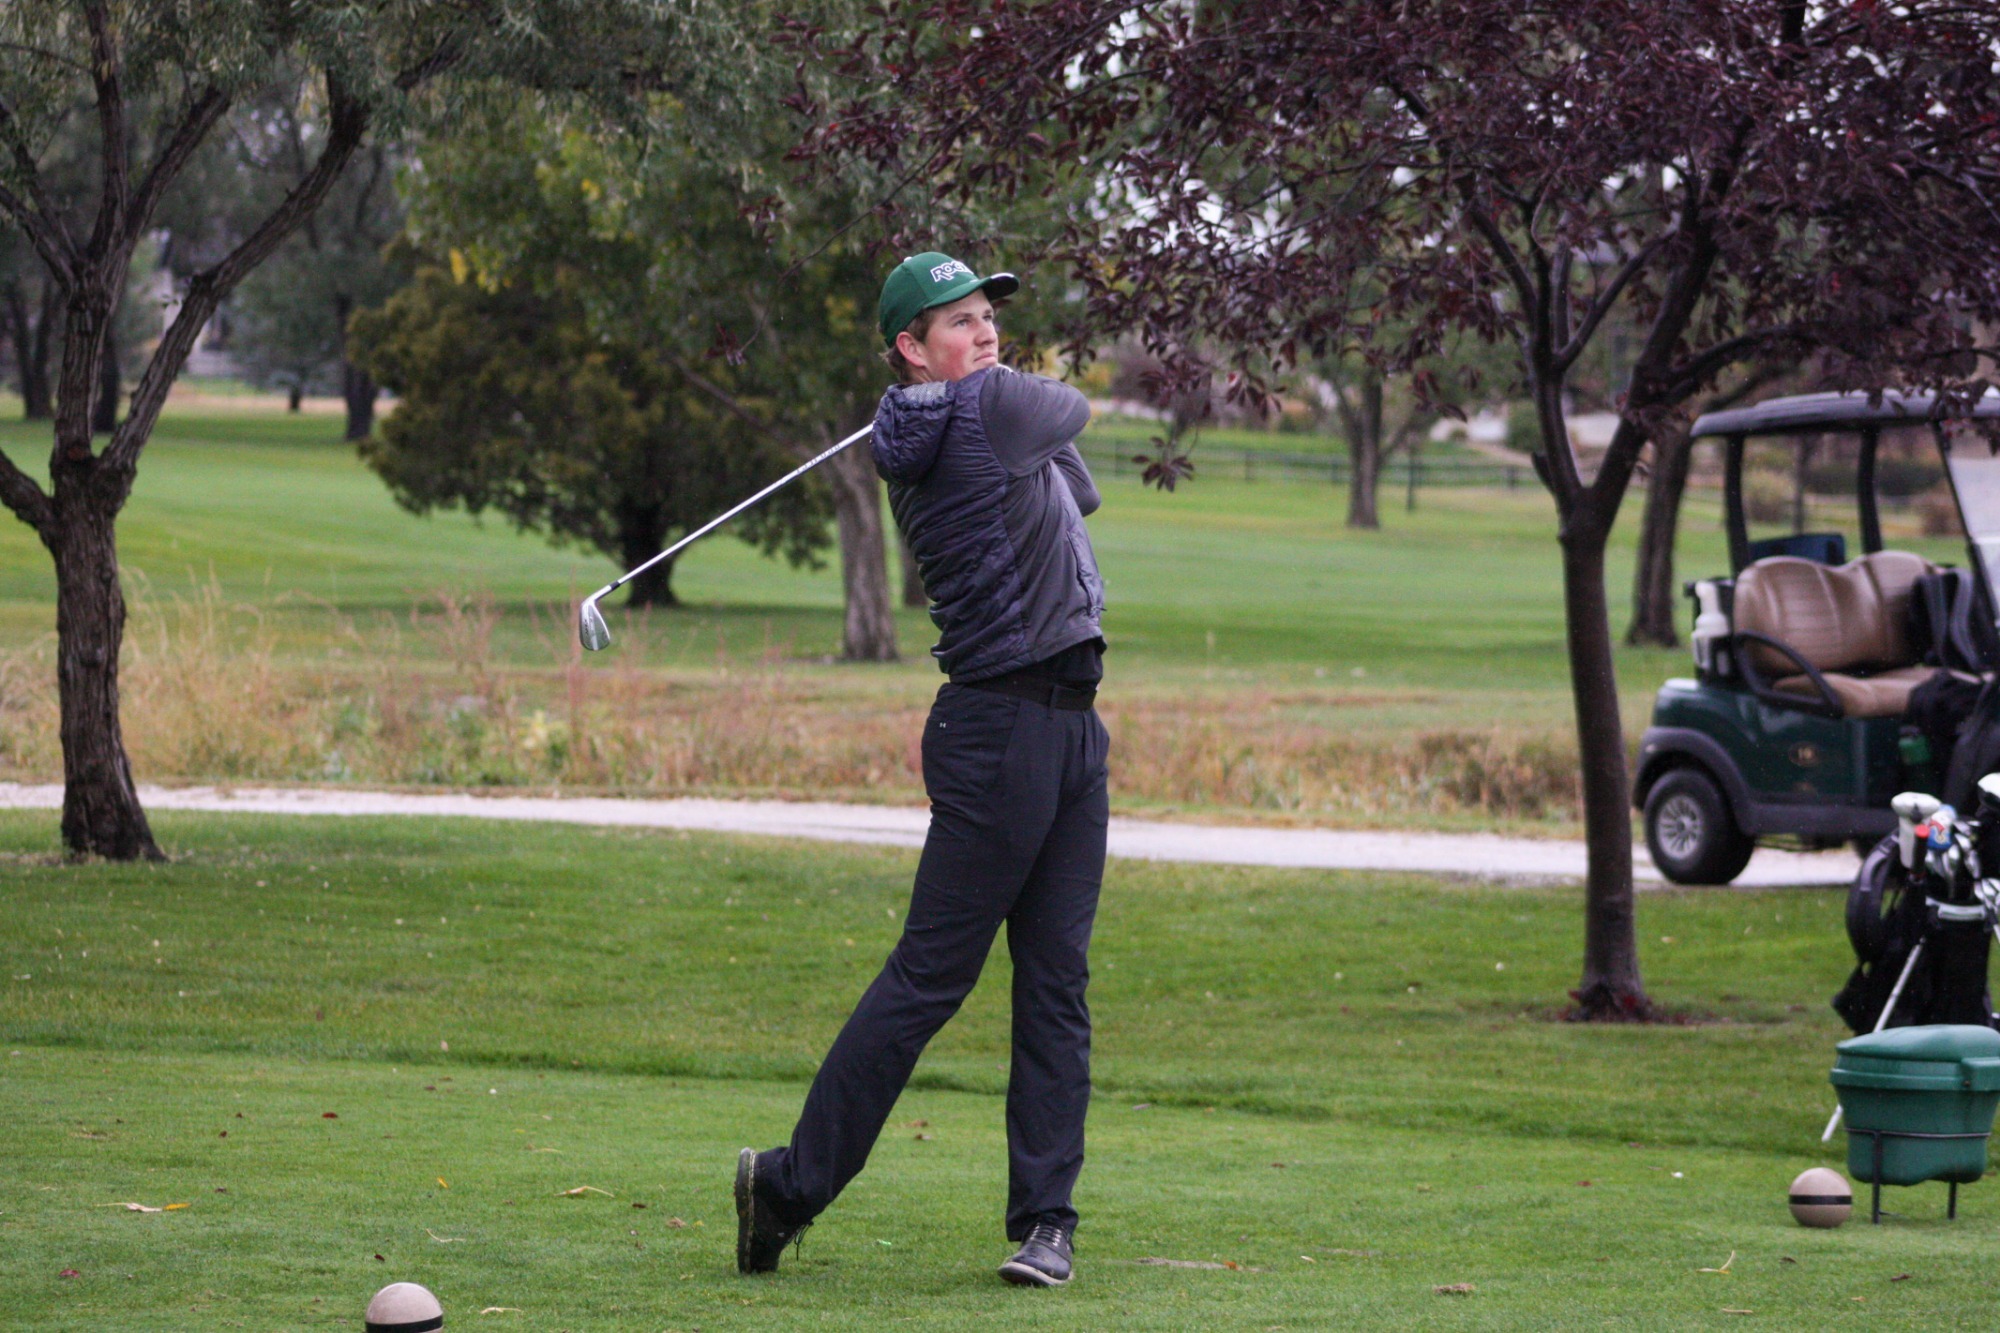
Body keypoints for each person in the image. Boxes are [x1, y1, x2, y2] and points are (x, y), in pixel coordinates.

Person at [735, 252, 1110, 1288]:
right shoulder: (984, 410)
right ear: (909, 347)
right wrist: (983, 388)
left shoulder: (971, 416)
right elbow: (1069, 408)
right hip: (1000, 727)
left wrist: (974, 389)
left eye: (988, 317)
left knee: (1055, 983)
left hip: (1069, 728)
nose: (986, 334)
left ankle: (1045, 1221)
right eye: (959, 322)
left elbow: (1075, 489)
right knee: (929, 977)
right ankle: (786, 1186)